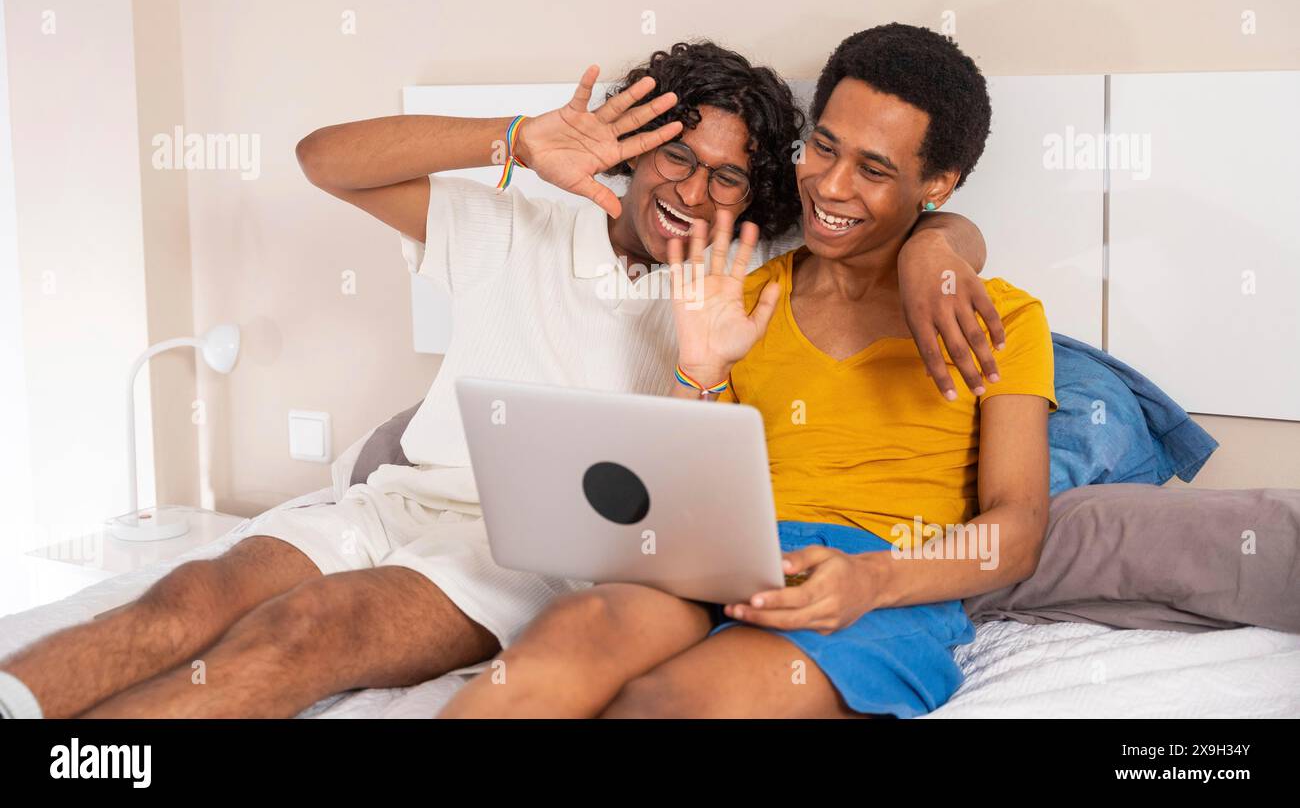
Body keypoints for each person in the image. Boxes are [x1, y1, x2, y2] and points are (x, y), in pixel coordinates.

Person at [0, 39, 996, 719]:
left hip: (527, 554)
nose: (692, 191)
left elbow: (906, 221)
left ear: (758, 196)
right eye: (674, 156)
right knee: (185, 597)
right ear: (630, 146)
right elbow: (323, 161)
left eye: (727, 177)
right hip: (391, 500)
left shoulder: (743, 291)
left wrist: (938, 247)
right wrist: (513, 139)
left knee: (299, 630)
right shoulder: (516, 223)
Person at [439, 24, 1056, 719]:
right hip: (721, 560)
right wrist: (698, 371)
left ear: (938, 184)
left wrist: (874, 579)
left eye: (875, 169)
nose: (831, 184)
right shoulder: (742, 297)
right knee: (561, 647)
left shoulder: (999, 318)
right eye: (824, 146)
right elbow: (675, 499)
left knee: (664, 705)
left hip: (879, 585)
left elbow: (1020, 528)